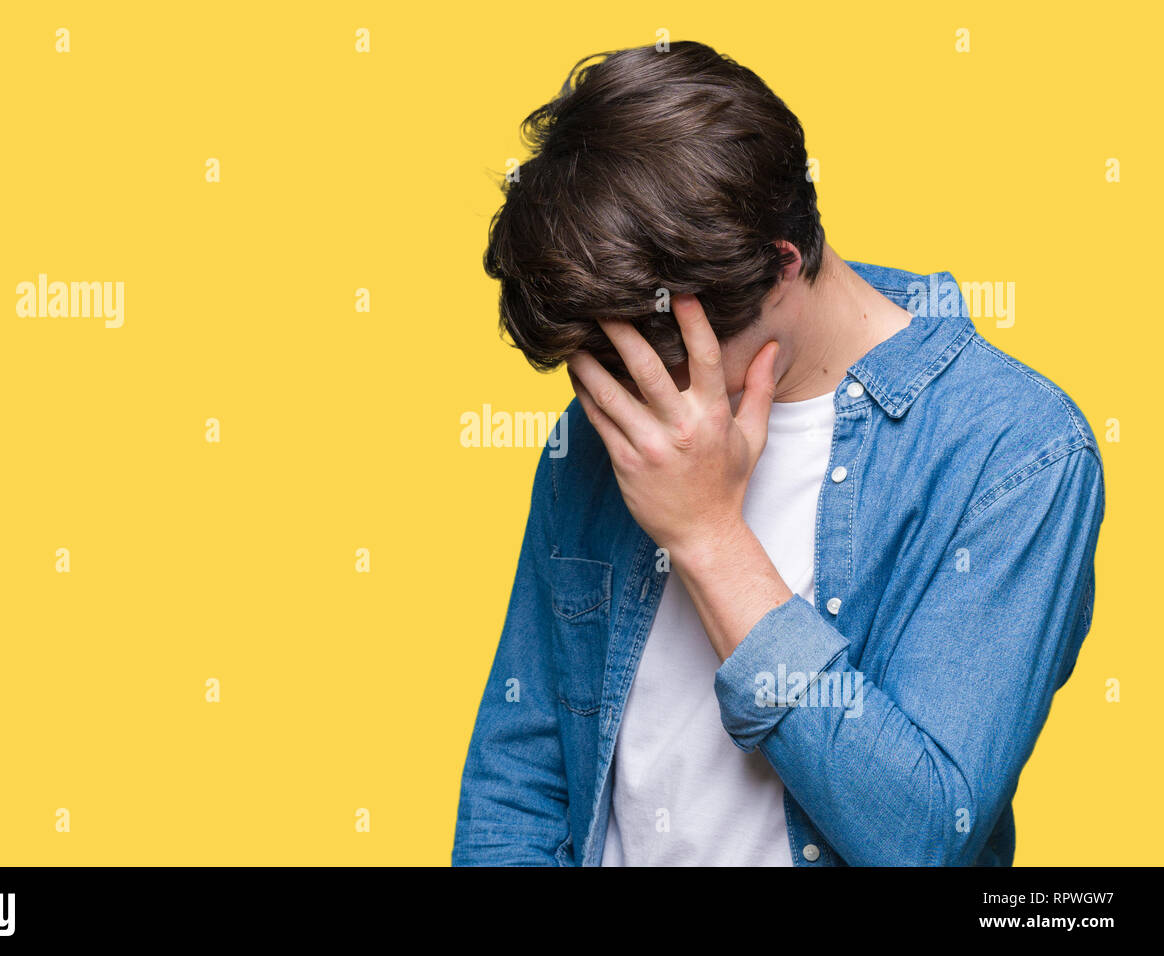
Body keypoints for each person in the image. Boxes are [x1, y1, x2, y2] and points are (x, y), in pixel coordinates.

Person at [452, 41, 1105, 866]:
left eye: (663, 355)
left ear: (782, 264)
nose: (639, 392)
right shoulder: (606, 424)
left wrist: (710, 537)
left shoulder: (1014, 455)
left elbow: (922, 835)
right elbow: (518, 775)